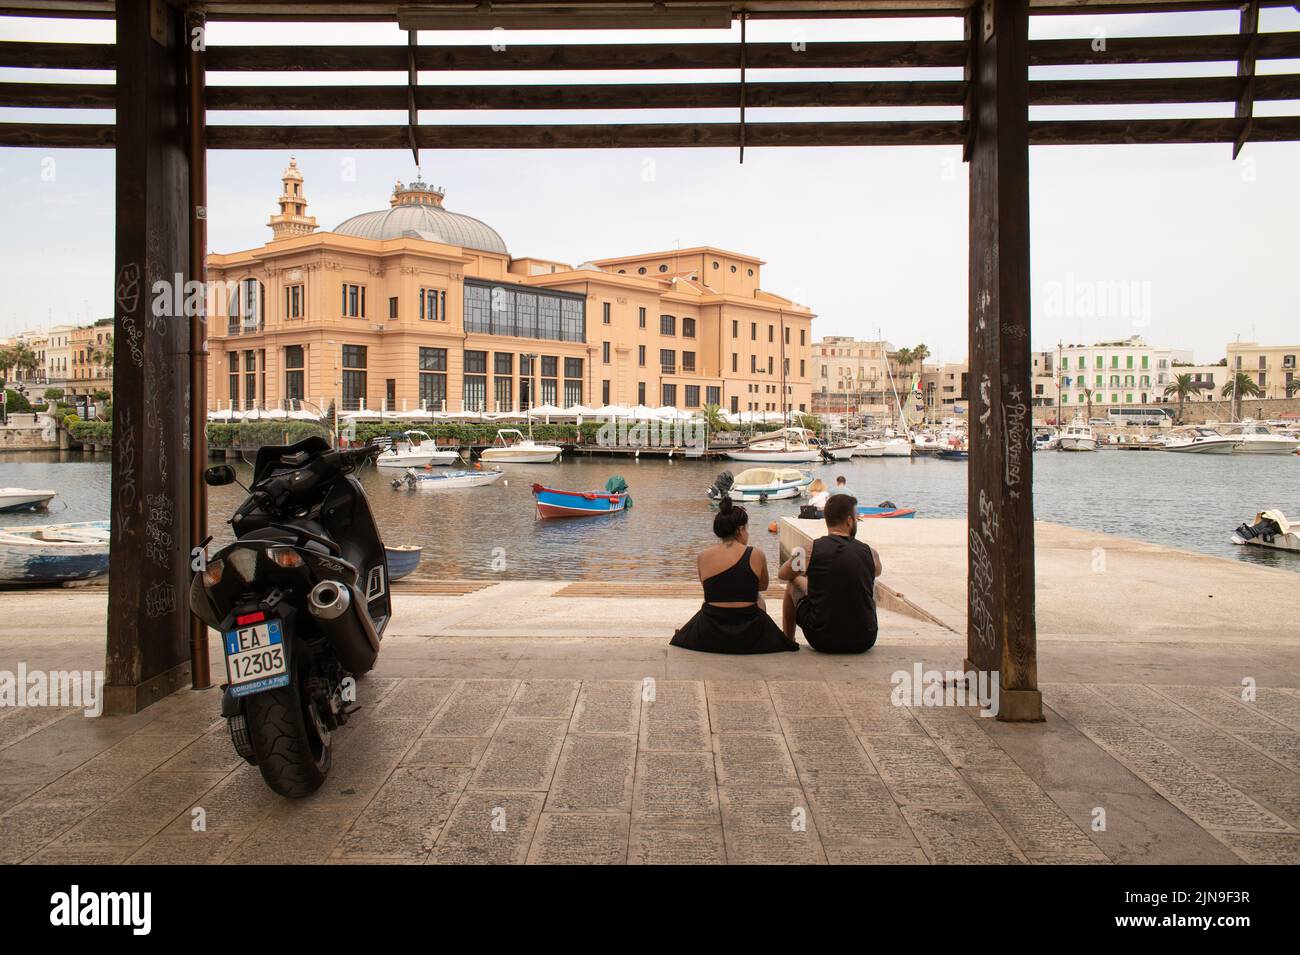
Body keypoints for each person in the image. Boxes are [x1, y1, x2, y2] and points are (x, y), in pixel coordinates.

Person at [670, 497, 798, 654]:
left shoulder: (703, 556)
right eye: (747, 529)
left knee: (710, 600)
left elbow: (709, 589)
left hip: (711, 627)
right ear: (740, 529)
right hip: (748, 627)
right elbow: (762, 586)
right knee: (758, 598)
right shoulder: (756, 554)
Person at [779, 493, 881, 653]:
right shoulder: (870, 553)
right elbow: (877, 572)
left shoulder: (810, 550)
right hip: (865, 639)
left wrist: (807, 574)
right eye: (856, 518)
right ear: (849, 521)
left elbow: (783, 574)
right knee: (871, 585)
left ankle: (788, 641)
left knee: (793, 582)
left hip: (822, 639)